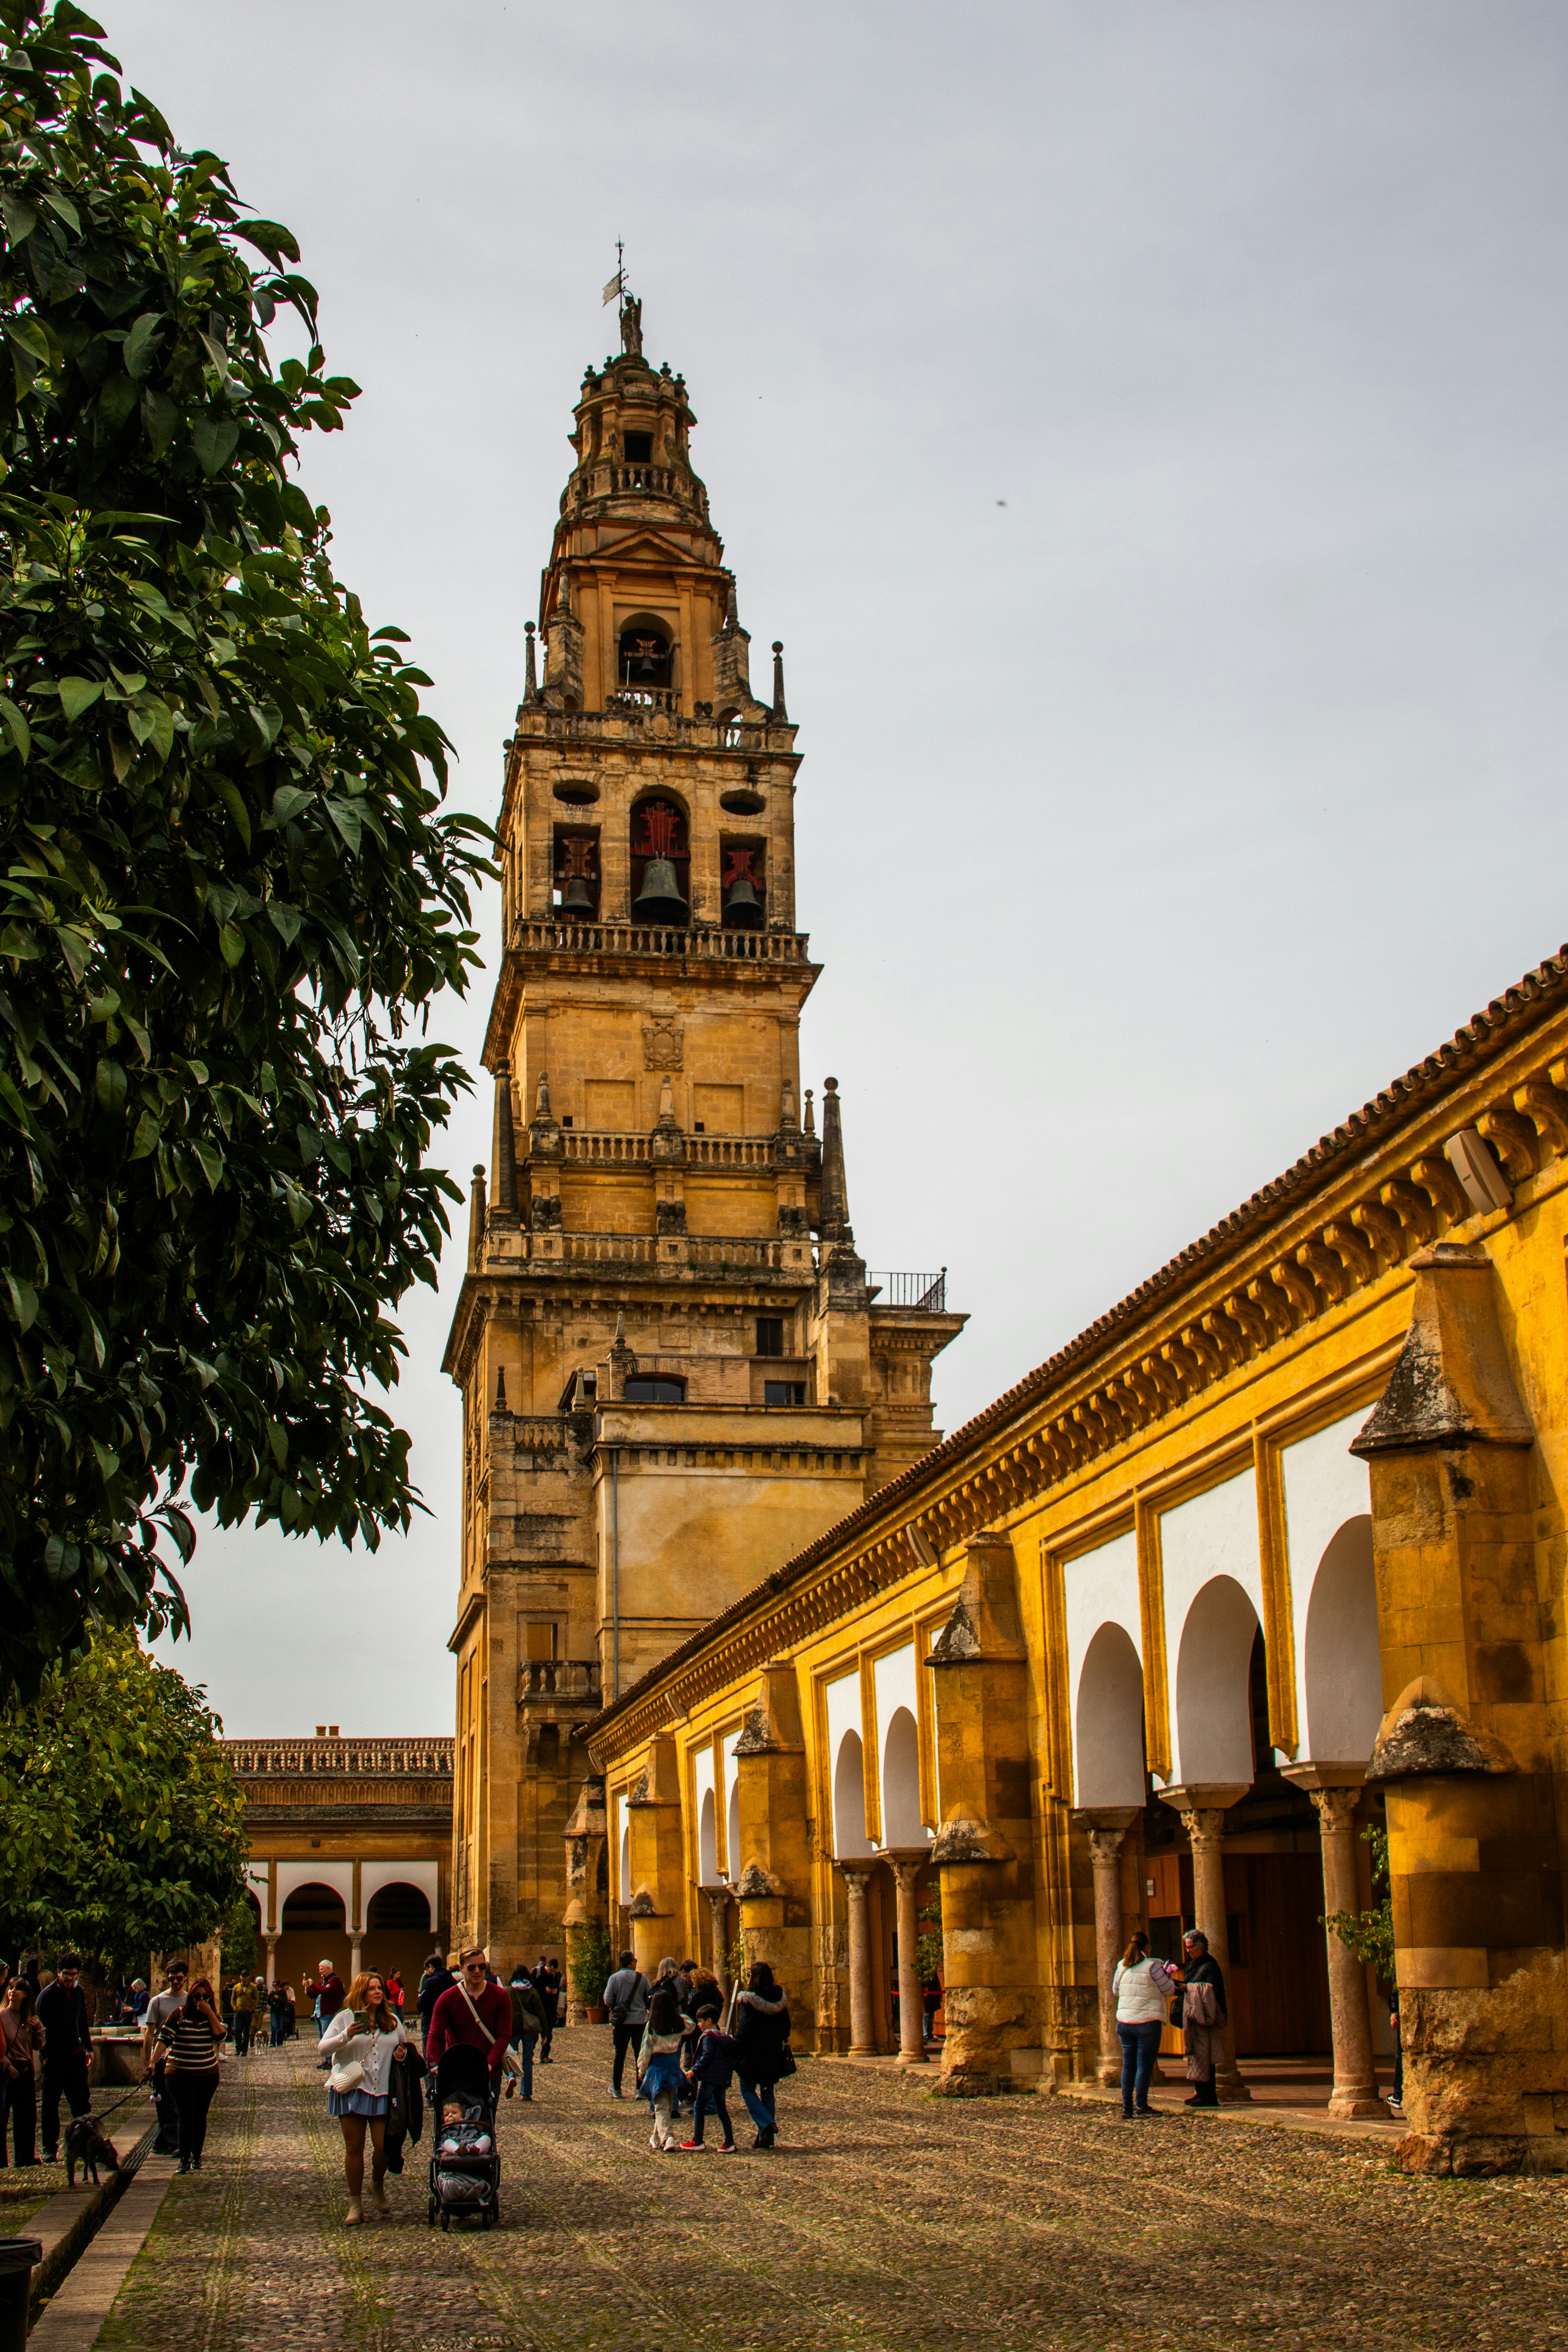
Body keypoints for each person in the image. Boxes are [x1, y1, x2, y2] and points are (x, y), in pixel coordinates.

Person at [320, 1969, 409, 2225]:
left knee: (385, 2147)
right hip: (351, 2089)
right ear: (361, 1992)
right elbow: (323, 2048)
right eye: (372, 1988)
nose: (378, 1992)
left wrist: (402, 2055)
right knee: (354, 2148)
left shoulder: (392, 2021)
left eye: (380, 1988)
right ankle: (355, 2204)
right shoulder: (344, 2018)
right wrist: (346, 2034)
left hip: (382, 2092)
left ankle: (377, 2183)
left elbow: (404, 2049)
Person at [425, 1948, 511, 2105]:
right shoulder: (448, 1999)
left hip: (488, 2075)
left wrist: (490, 2064)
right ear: (462, 1969)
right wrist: (434, 2063)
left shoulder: (500, 1996)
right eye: (472, 1967)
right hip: (457, 2074)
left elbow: (504, 2035)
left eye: (482, 1966)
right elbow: (435, 2035)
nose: (477, 1971)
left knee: (486, 2121)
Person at [154, 1976, 224, 2173]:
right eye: (197, 1996)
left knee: (200, 2116)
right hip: (180, 2075)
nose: (201, 2000)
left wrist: (210, 2013)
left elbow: (220, 2037)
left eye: (206, 1996)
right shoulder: (179, 2015)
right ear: (191, 1996)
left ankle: (197, 2157)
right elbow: (164, 2039)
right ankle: (184, 2159)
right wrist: (152, 2062)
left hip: (206, 2074)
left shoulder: (213, 2017)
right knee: (186, 2116)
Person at [1111, 1931, 1177, 2120]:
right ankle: (1141, 2105)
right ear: (1147, 1948)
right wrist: (1168, 1976)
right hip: (1147, 2022)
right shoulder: (1153, 1967)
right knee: (1143, 2066)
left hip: (1125, 2022)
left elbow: (1116, 1991)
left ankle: (1127, 2107)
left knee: (1128, 2065)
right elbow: (1169, 1989)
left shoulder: (1122, 1966)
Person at [37, 1954, 93, 2161]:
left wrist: (88, 2047)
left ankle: (85, 2143)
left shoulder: (78, 1992)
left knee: (82, 2105)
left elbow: (82, 2021)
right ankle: (50, 2148)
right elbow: (39, 2029)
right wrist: (46, 2056)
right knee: (50, 2106)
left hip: (75, 2056)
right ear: (59, 1972)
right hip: (55, 2058)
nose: (70, 1978)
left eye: (74, 1975)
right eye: (67, 1974)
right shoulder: (47, 1996)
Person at [729, 1961, 790, 2149]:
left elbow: (744, 2029)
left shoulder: (748, 2001)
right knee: (767, 2091)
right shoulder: (779, 1999)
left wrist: (734, 2047)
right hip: (772, 2054)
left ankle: (766, 2124)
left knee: (747, 2090)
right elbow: (787, 2027)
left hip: (752, 2055)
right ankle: (767, 2137)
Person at [637, 1983, 692, 2153]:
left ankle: (668, 2138)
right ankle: (655, 2138)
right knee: (666, 2105)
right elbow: (690, 2024)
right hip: (673, 2067)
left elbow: (645, 2051)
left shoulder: (652, 2027)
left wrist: (641, 2070)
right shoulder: (677, 2024)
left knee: (660, 2106)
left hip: (657, 2069)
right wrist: (679, 2015)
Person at [142, 1963, 188, 2156]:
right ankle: (177, 2142)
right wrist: (148, 2062)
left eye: (179, 1978)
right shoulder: (157, 2001)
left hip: (184, 2058)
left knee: (179, 2103)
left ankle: (161, 2142)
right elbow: (150, 2033)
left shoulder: (190, 2000)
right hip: (162, 2058)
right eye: (172, 1979)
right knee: (166, 2102)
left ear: (186, 1977)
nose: (175, 1982)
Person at [1177, 1928, 1227, 2109]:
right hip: (1193, 2015)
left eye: (1191, 1947)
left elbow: (1211, 1989)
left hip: (1205, 2016)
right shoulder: (1194, 1964)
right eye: (1187, 1948)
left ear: (1201, 1947)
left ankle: (1208, 2095)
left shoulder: (1209, 1965)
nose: (1188, 1951)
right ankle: (1200, 2092)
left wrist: (1189, 1988)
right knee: (1196, 2056)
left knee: (1205, 2055)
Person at [680, 2003, 737, 2152]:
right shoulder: (723, 2036)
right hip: (722, 2079)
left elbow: (707, 2056)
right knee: (722, 2110)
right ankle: (730, 2142)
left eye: (701, 2021)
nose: (699, 2025)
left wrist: (694, 2070)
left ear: (710, 2021)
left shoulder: (708, 2038)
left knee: (699, 2106)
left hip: (710, 2078)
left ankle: (698, 2140)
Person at [0, 1979, 43, 2166]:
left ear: (26, 1995)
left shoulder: (29, 2018)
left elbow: (38, 2045)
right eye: (11, 1988)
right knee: (2, 2117)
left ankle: (25, 2157)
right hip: (7, 2070)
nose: (13, 1992)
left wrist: (38, 2029)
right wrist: (8, 2066)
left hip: (26, 2070)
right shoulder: (2, 2016)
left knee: (26, 2117)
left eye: (18, 1989)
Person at [602, 1951, 649, 2100]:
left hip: (622, 2023)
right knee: (639, 2056)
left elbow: (608, 1999)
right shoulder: (642, 1978)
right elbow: (649, 1998)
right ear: (631, 1963)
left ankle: (617, 2088)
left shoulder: (614, 1978)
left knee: (620, 2055)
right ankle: (639, 2089)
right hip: (639, 2022)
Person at [508, 1967, 549, 2101]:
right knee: (527, 2061)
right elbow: (541, 2013)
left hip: (512, 2030)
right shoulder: (532, 1992)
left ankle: (511, 2078)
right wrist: (546, 2033)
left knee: (511, 2057)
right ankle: (526, 2093)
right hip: (528, 2030)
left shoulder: (508, 1991)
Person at [314, 1958, 345, 2067]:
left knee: (328, 2037)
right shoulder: (324, 1981)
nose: (320, 1971)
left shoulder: (334, 1980)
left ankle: (331, 2060)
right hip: (319, 2013)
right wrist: (309, 1988)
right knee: (322, 2037)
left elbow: (325, 1992)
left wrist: (314, 1987)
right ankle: (327, 2059)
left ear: (328, 1968)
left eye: (322, 1969)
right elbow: (315, 1993)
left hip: (328, 2013)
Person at [417, 1953, 455, 2041]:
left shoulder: (429, 1982)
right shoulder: (453, 1981)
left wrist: (420, 1996)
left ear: (430, 1967)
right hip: (448, 2028)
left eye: (427, 1970)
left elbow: (420, 2006)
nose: (427, 1973)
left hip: (430, 2027)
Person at [532, 1956, 560, 2063]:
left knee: (548, 2033)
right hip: (538, 2008)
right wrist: (544, 1990)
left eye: (554, 1971)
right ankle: (530, 2056)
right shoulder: (538, 1972)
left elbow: (556, 1986)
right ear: (547, 1966)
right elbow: (533, 1988)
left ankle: (544, 2056)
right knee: (535, 2034)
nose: (552, 1972)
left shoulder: (554, 1976)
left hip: (549, 2009)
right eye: (551, 1970)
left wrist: (555, 1991)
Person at [229, 1971, 257, 2057]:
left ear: (248, 1977)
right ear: (240, 1977)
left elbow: (256, 1999)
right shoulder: (237, 1987)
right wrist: (235, 2008)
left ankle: (245, 2050)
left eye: (246, 1976)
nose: (244, 1978)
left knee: (247, 2031)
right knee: (237, 2030)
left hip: (248, 2012)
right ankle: (238, 2048)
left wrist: (252, 2008)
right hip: (239, 2012)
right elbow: (233, 1999)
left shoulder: (253, 1987)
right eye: (243, 1976)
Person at [268, 1978, 294, 2048]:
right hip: (274, 2011)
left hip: (281, 2011)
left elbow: (285, 2000)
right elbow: (269, 2002)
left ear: (279, 1985)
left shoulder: (283, 1992)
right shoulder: (272, 1993)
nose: (275, 1987)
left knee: (280, 2027)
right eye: (273, 1986)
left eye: (276, 1985)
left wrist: (278, 1999)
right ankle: (272, 2042)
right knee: (274, 2027)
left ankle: (280, 2042)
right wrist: (273, 2003)